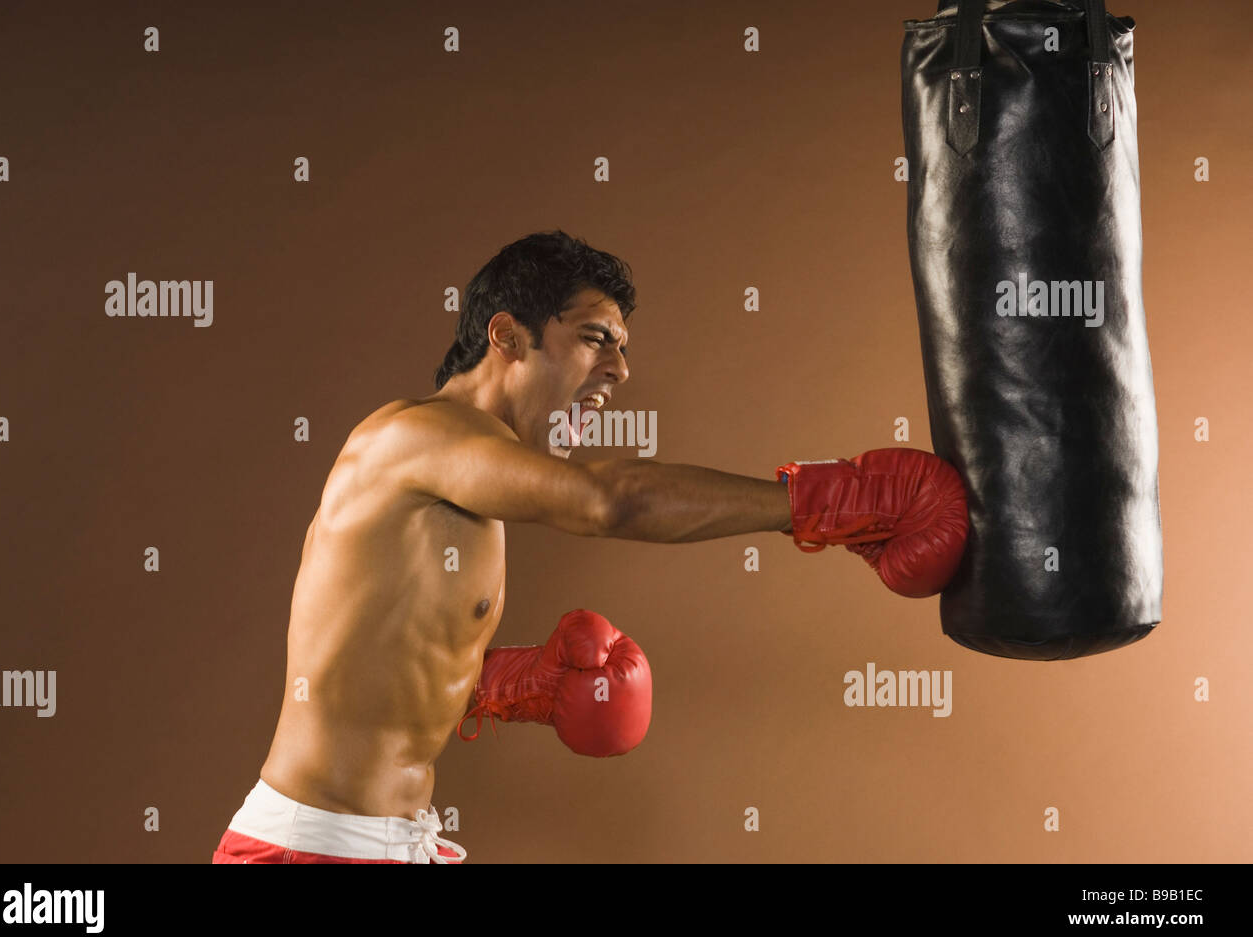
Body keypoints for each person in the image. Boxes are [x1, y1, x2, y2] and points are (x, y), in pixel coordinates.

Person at [212, 230, 967, 864]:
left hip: (380, 845)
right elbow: (609, 501)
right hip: (306, 851)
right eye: (596, 339)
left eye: (623, 348)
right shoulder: (415, 435)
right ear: (507, 336)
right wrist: (837, 500)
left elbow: (381, 659)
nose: (620, 370)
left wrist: (519, 683)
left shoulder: (467, 475)